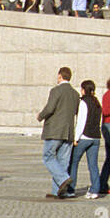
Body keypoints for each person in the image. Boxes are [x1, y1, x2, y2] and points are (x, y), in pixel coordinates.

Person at [37, 67, 80, 200]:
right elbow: (76, 111)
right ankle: (57, 191)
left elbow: (50, 108)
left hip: (54, 131)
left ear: (60, 76)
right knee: (63, 162)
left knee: (48, 156)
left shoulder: (56, 91)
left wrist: (40, 116)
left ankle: (63, 179)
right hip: (68, 132)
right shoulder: (75, 93)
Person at [68, 79, 102, 199]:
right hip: (96, 137)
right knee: (93, 165)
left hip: (84, 137)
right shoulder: (97, 102)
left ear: (83, 90)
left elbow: (81, 122)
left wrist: (76, 138)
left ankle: (70, 189)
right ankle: (95, 190)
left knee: (73, 163)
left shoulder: (83, 102)